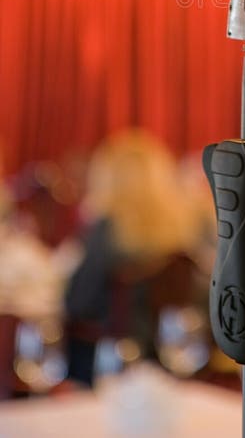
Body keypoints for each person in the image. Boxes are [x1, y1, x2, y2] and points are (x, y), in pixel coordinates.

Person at [64, 129, 207, 385]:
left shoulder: (106, 229)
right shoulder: (183, 229)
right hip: (170, 361)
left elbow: (78, 303)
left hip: (108, 365)